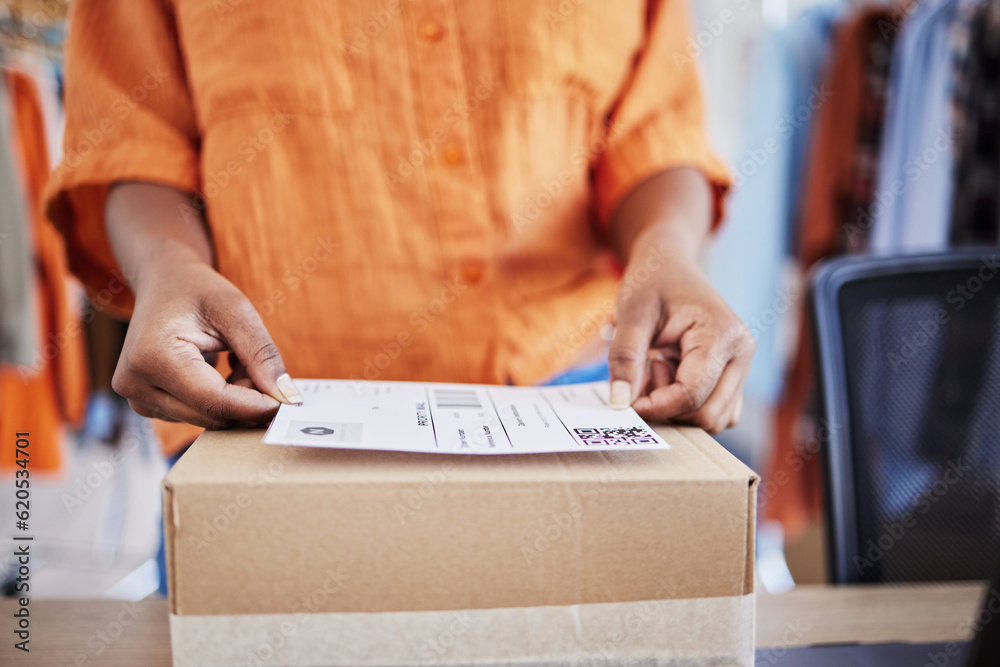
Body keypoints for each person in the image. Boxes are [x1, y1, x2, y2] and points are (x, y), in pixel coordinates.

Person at [45, 0, 754, 453]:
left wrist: (670, 253)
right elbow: (133, 140)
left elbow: (652, 129)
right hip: (269, 421)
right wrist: (168, 263)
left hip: (576, 398)